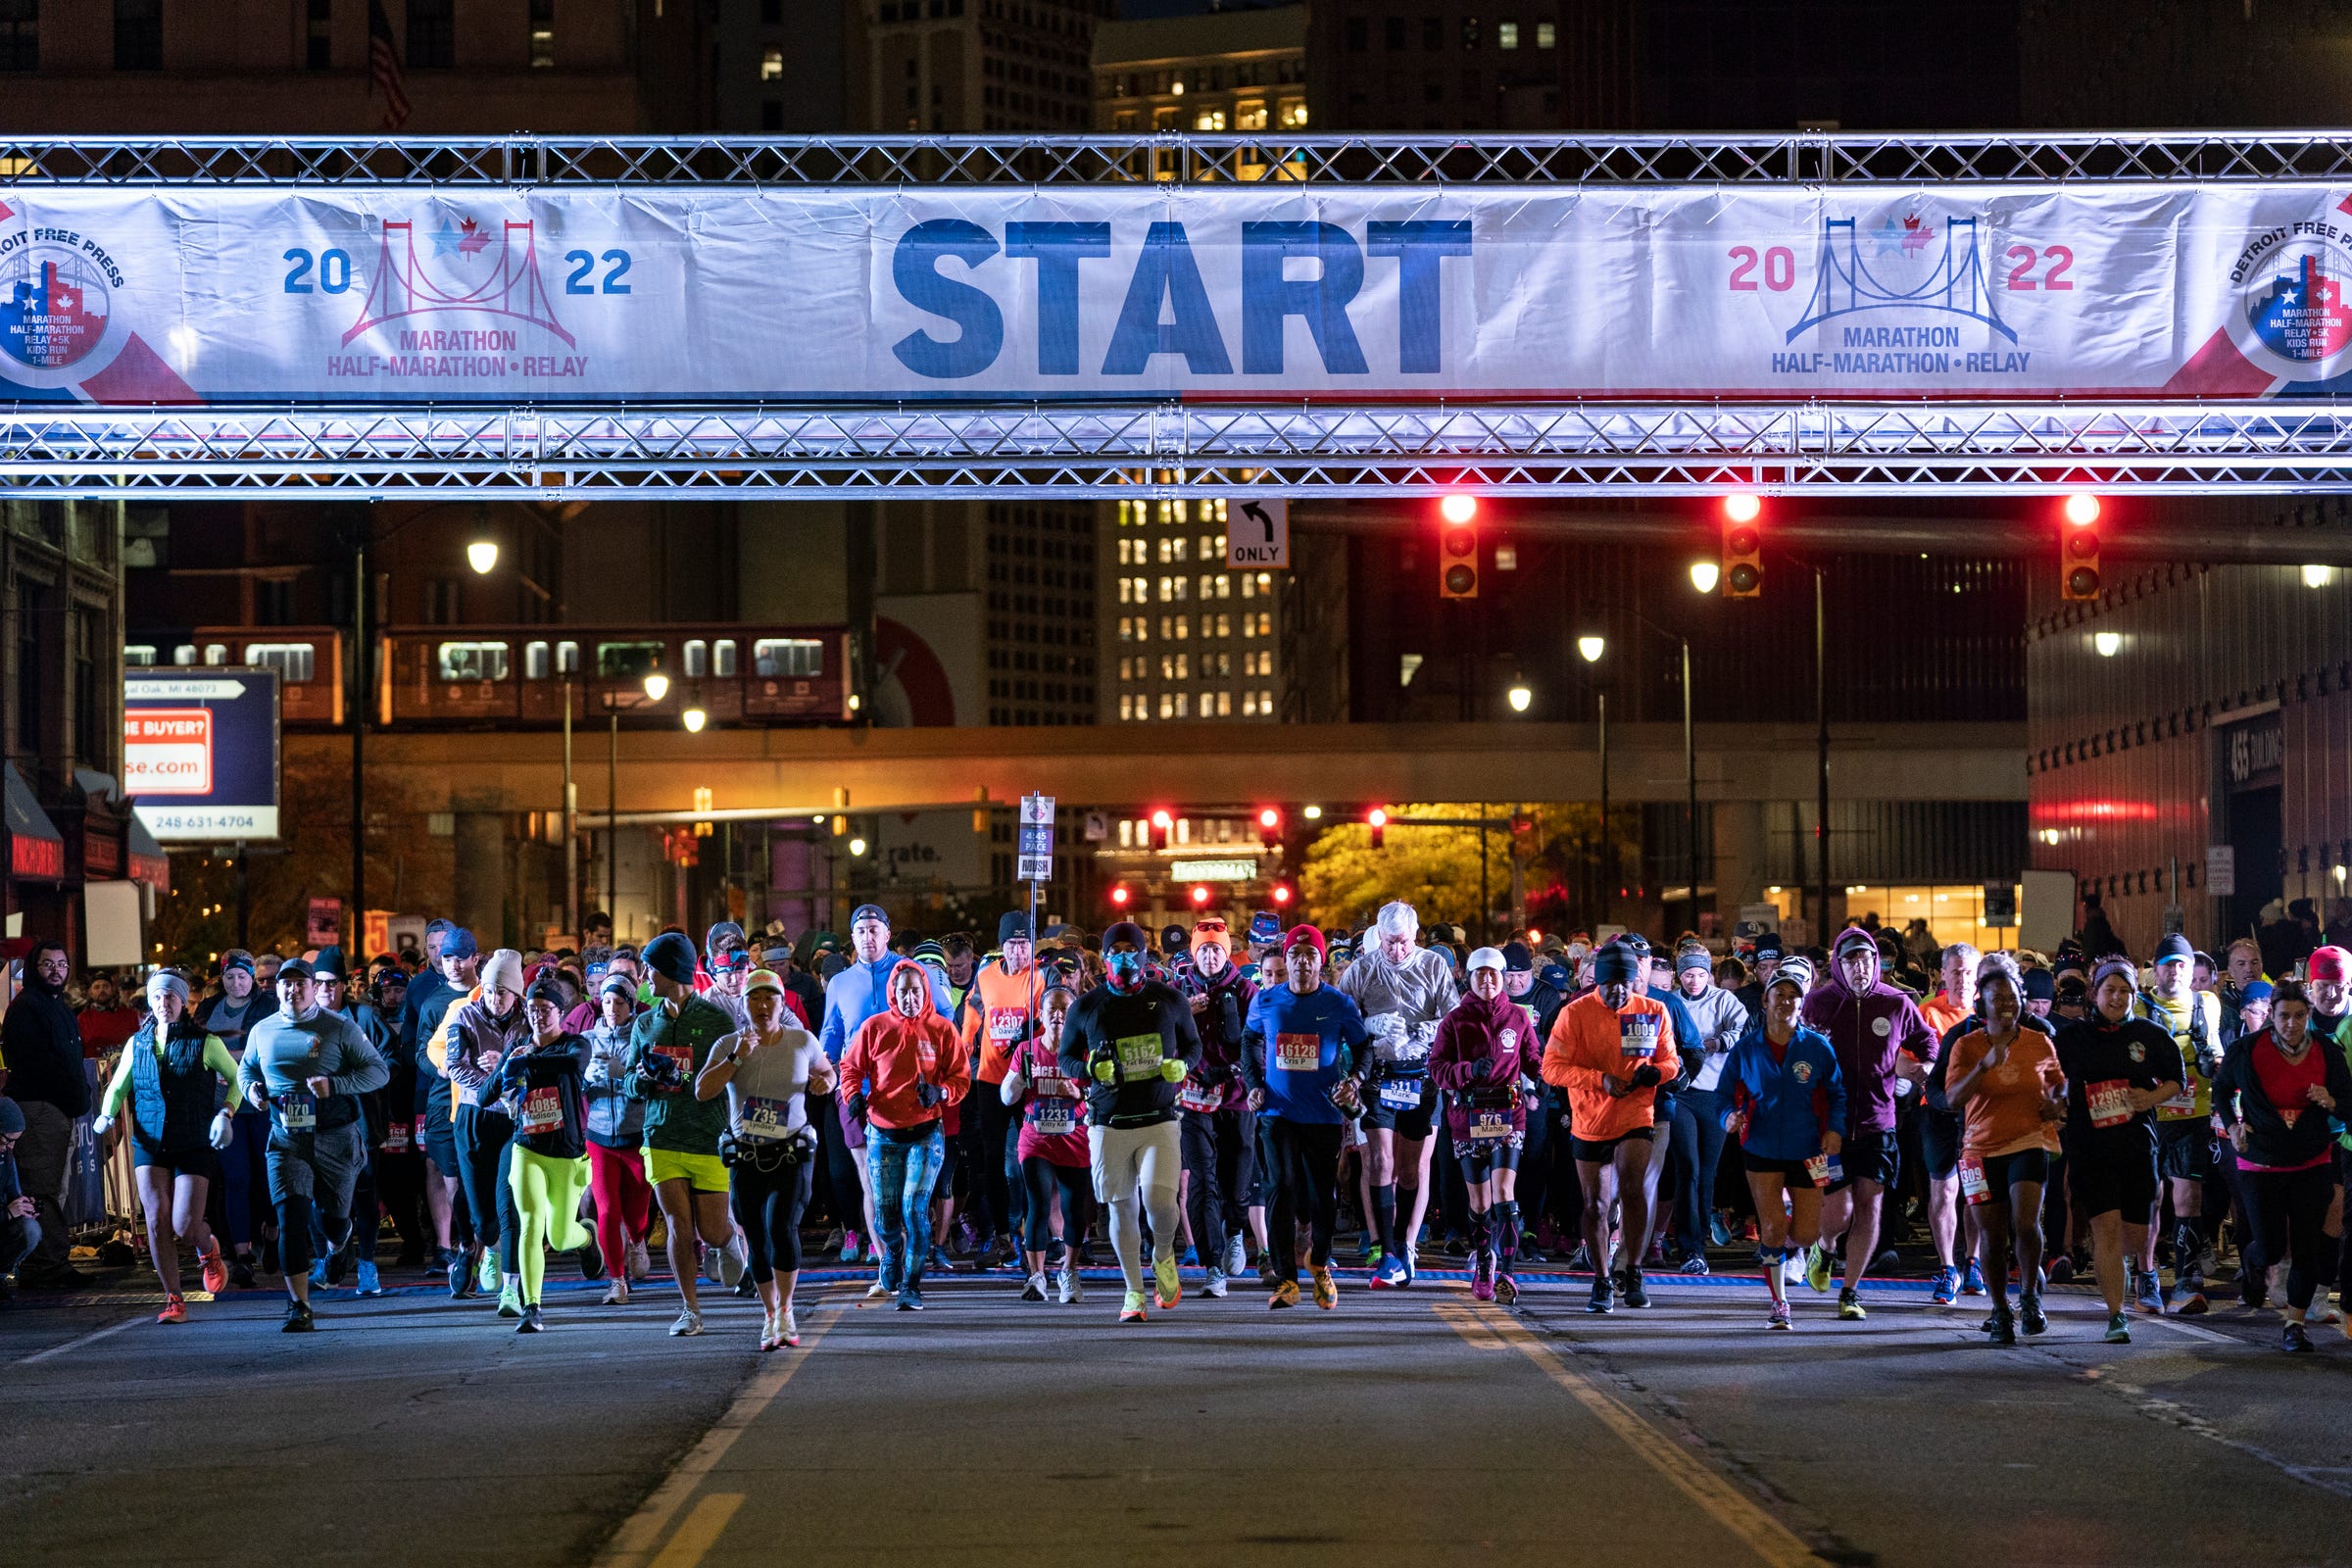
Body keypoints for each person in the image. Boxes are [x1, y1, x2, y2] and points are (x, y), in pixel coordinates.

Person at [1055, 919, 1200, 1323]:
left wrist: (1182, 1066)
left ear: (1143, 953)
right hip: (1108, 1120)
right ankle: (1134, 1291)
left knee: (1159, 1202)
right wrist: (1089, 1069)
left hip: (1159, 1116)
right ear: (1103, 959)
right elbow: (1066, 1056)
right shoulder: (1086, 1006)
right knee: (1120, 1208)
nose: (1123, 957)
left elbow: (1193, 1044)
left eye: (1130, 949)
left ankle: (1164, 1252)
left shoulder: (1170, 999)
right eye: (1114, 951)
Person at [237, 958, 389, 1332]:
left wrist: (335, 1085)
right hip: (287, 1136)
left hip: (336, 1135)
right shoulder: (262, 1030)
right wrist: (251, 1089)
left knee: (334, 1219)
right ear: (277, 989)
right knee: (292, 1217)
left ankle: (340, 1245)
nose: (292, 991)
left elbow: (378, 1071)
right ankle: (299, 1304)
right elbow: (246, 1068)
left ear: (313, 988)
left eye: (299, 984)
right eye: (285, 985)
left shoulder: (339, 1027)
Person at [1802, 926, 1937, 1321]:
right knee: (1839, 1210)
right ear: (1838, 964)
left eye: (1865, 959)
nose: (1859, 967)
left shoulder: (1896, 1002)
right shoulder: (1818, 1003)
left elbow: (1928, 1043)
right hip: (1829, 1126)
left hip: (1880, 1121)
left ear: (1876, 962)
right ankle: (1825, 1248)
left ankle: (1850, 1291)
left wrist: (1919, 1071)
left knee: (1870, 1205)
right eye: (1850, 959)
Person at [2210, 980, 2349, 1350]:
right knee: (2271, 1248)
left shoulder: (2327, 1052)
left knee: (2306, 1248)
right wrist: (2234, 1123)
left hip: (2311, 1160)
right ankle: (2255, 1265)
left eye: (2300, 1016)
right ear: (2271, 1016)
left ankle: (2294, 1325)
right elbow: (2221, 1089)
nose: (2291, 1024)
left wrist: (2331, 1100)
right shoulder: (2248, 1050)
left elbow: (2348, 1103)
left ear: (2308, 1015)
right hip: (2261, 1162)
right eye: (2284, 1016)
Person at [699, 967, 833, 1349]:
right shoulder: (729, 1043)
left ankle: (787, 1310)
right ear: (743, 1005)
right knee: (755, 1237)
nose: (762, 1005)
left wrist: (826, 1081)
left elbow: (827, 1073)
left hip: (791, 1150)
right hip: (745, 1155)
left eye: (769, 998)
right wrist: (736, 1059)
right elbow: (702, 1090)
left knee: (780, 1226)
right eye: (753, 998)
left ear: (781, 1002)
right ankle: (769, 1314)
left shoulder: (801, 1040)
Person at [2053, 958, 2185, 1344]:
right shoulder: (2072, 1038)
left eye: (2125, 991)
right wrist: (2058, 1107)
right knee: (2106, 1231)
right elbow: (2050, 1080)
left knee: (2135, 1234)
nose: (2118, 997)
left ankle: (2142, 1270)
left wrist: (2151, 1097)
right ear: (2095, 993)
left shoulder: (2149, 1033)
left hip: (2136, 1145)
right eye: (2110, 990)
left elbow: (2176, 1079)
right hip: (2090, 1146)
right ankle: (2116, 1316)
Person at [1544, 940, 1680, 1313]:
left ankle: (1633, 1271)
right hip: (1589, 1119)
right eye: (1611, 983)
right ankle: (1601, 1279)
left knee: (1633, 1191)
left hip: (1636, 1113)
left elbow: (1671, 1061)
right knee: (1596, 1204)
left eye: (1626, 982)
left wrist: (1657, 1073)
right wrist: (1598, 1080)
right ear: (1597, 982)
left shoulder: (1654, 1011)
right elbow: (1550, 1068)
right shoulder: (1575, 1013)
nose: (1619, 990)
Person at [92, 971, 236, 1322]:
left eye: (170, 997)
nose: (163, 1003)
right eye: (157, 998)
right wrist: (107, 1115)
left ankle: (208, 1248)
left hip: (192, 1139)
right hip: (150, 1139)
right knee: (156, 1221)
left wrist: (226, 1113)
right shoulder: (137, 1043)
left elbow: (237, 1078)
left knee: (185, 1225)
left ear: (183, 1001)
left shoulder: (205, 1042)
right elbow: (118, 1085)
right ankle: (174, 1298)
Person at [819, 905, 955, 1275]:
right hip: (859, 1094)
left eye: (875, 929)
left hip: (911, 1095)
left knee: (910, 1189)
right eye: (861, 931)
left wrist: (936, 1078)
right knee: (871, 1182)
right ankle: (886, 1262)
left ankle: (911, 1255)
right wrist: (830, 1073)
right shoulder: (840, 982)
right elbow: (829, 1037)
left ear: (888, 933)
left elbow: (947, 1020)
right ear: (852, 938)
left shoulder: (916, 973)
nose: (868, 937)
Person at [1331, 901, 1458, 1289]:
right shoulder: (1363, 968)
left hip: (1420, 1075)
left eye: (1402, 942)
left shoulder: (1433, 965)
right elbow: (1338, 1015)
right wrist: (1366, 1022)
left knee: (1409, 1167)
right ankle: (1386, 1250)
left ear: (1415, 936)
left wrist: (1432, 1029)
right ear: (1378, 939)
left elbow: (1453, 1015)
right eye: (1388, 943)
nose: (1396, 951)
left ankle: (1404, 1243)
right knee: (1380, 1161)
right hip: (1378, 1074)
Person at [1241, 924, 1368, 1311]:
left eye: (1309, 956)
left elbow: (1364, 1049)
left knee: (1320, 1197)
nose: (1301, 963)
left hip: (1323, 1115)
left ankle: (1320, 1261)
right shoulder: (1266, 1001)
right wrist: (1254, 1083)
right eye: (1294, 957)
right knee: (1280, 1187)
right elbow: (1249, 1041)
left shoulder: (1339, 1004)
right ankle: (1285, 1280)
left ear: (1320, 961)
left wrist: (1356, 1080)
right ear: (1287, 961)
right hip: (1277, 1112)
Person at [625, 931, 744, 1337]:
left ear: (672, 972)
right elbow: (628, 1082)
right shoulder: (644, 1023)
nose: (645, 976)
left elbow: (734, 1075)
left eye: (650, 969)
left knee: (709, 1229)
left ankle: (726, 1241)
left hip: (708, 1135)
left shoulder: (715, 1020)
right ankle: (690, 1309)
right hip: (661, 1136)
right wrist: (641, 1079)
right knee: (678, 1225)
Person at [1943, 954, 2065, 1346]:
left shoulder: (2038, 1040)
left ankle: (2029, 1297)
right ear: (1982, 1003)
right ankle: (1999, 1311)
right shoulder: (1966, 1046)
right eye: (1998, 999)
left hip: (2029, 1139)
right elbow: (1951, 1099)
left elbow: (2059, 1082)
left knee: (2026, 1222)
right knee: (1992, 1238)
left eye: (2013, 998)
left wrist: (2058, 1102)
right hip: (1979, 1149)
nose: (2007, 1006)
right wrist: (1983, 1067)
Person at [1719, 956, 1845, 1330]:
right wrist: (1727, 1117)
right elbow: (1723, 1095)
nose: (1786, 1001)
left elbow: (1837, 1094)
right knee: (1772, 1226)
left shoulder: (1818, 1047)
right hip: (1760, 1147)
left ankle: (1795, 1252)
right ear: (1765, 1001)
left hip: (1810, 1150)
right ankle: (1780, 1304)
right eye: (1779, 994)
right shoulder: (1746, 1049)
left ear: (1801, 1002)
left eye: (1793, 995)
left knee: (1806, 1232)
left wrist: (1834, 1129)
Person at [839, 959, 969, 1311]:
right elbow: (849, 1066)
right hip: (882, 1132)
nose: (910, 997)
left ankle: (911, 1285)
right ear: (892, 993)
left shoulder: (942, 1029)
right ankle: (892, 1254)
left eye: (916, 990)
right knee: (886, 1214)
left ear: (926, 991)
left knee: (914, 1208)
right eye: (903, 991)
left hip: (926, 1132)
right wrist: (852, 1096)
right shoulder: (874, 1027)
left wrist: (941, 1093)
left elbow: (961, 1076)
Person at [1429, 947, 1538, 1303]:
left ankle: (1507, 1273)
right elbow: (1437, 1068)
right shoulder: (1455, 1020)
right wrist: (1466, 1072)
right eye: (1481, 974)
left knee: (1504, 1192)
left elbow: (1532, 1058)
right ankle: (1484, 1264)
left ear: (1504, 976)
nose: (1488, 980)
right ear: (1470, 978)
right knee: (1479, 1203)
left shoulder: (1519, 1018)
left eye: (1494, 974)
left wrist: (1545, 1076)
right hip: (1468, 1118)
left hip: (1508, 1114)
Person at [2128, 932, 2226, 1314]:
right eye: (2168, 964)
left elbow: (2214, 1045)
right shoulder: (2138, 1007)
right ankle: (2146, 1277)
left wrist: (2214, 1064)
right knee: (2150, 1200)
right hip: (2150, 1116)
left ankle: (2185, 1281)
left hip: (2193, 1113)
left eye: (2182, 964)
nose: (2175, 971)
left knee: (2188, 1198)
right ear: (2155, 969)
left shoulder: (2208, 1003)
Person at [493, 976, 596, 1333]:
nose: (538, 1016)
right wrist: (506, 1069)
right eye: (533, 1009)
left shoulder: (576, 1044)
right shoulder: (519, 1047)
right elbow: (490, 1090)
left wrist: (530, 1062)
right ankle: (532, 1307)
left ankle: (586, 1237)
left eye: (546, 1010)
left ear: (560, 1012)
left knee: (560, 1237)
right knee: (530, 1223)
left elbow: (570, 1066)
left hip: (566, 1153)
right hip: (528, 1148)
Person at [432, 948, 530, 1313]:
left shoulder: (527, 1019)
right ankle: (487, 1246)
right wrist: (493, 1080)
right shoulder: (464, 1016)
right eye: (489, 991)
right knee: (481, 1216)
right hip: (474, 1117)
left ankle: (512, 1281)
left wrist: (508, 1073)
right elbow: (455, 1065)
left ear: (516, 993)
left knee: (508, 1202)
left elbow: (536, 1061)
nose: (494, 999)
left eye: (502, 992)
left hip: (513, 1119)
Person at [0, 941, 92, 1291]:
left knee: (55, 1189)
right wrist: (71, 1097)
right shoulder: (26, 1009)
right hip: (40, 1109)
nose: (56, 971)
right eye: (47, 964)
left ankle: (51, 1261)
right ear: (33, 967)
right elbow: (41, 1065)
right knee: (43, 1189)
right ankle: (46, 1266)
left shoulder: (58, 1006)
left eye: (62, 964)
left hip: (58, 1109)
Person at [1175, 916, 1258, 1298]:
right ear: (1194, 953)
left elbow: (1259, 1044)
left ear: (1227, 953)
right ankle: (1211, 1266)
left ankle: (1236, 1230)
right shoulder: (1178, 992)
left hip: (1236, 1096)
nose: (1210, 956)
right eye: (1204, 949)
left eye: (1217, 949)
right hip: (1193, 1099)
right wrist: (1183, 1014)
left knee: (1236, 1182)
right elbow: (1163, 1039)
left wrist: (1230, 1071)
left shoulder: (1245, 990)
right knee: (1201, 1182)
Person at [956, 910, 1043, 1270]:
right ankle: (1000, 1236)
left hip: (1028, 1080)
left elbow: (1048, 1020)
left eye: (1024, 945)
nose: (1019, 953)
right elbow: (973, 1015)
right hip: (991, 1078)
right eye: (1012, 945)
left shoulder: (1039, 977)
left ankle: (1032, 1232)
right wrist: (963, 1048)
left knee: (1029, 1157)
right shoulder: (986, 976)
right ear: (1002, 946)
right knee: (992, 1160)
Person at [1002, 984, 1093, 1304]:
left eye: (1064, 1009)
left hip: (1074, 1137)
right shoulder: (1026, 1050)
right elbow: (1006, 1097)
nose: (1057, 1015)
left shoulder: (1084, 1052)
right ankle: (1037, 1276)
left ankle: (1068, 1271)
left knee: (1073, 1209)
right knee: (1038, 1203)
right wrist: (1019, 1080)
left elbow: (1102, 1091)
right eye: (1051, 1009)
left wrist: (1078, 1093)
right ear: (1040, 1014)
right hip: (1036, 1137)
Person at [1666, 942, 1746, 1275]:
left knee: (1707, 1173)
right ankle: (1690, 1245)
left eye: (1700, 974)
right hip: (1681, 1094)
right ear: (1678, 975)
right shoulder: (1670, 1001)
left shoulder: (1724, 1000)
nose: (1694, 981)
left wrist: (1718, 1042)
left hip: (1715, 1095)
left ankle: (1700, 1241)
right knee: (1688, 1167)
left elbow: (1741, 1031)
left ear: (1709, 974)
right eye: (1687, 974)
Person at [584, 972, 654, 1306]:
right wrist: (585, 1077)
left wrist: (624, 1072)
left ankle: (638, 1240)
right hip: (598, 1136)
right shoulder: (586, 1039)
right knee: (607, 1210)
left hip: (635, 1135)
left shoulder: (644, 1035)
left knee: (637, 1210)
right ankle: (616, 1280)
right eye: (607, 1001)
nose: (612, 1008)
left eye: (620, 1002)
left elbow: (660, 1078)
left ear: (631, 1004)